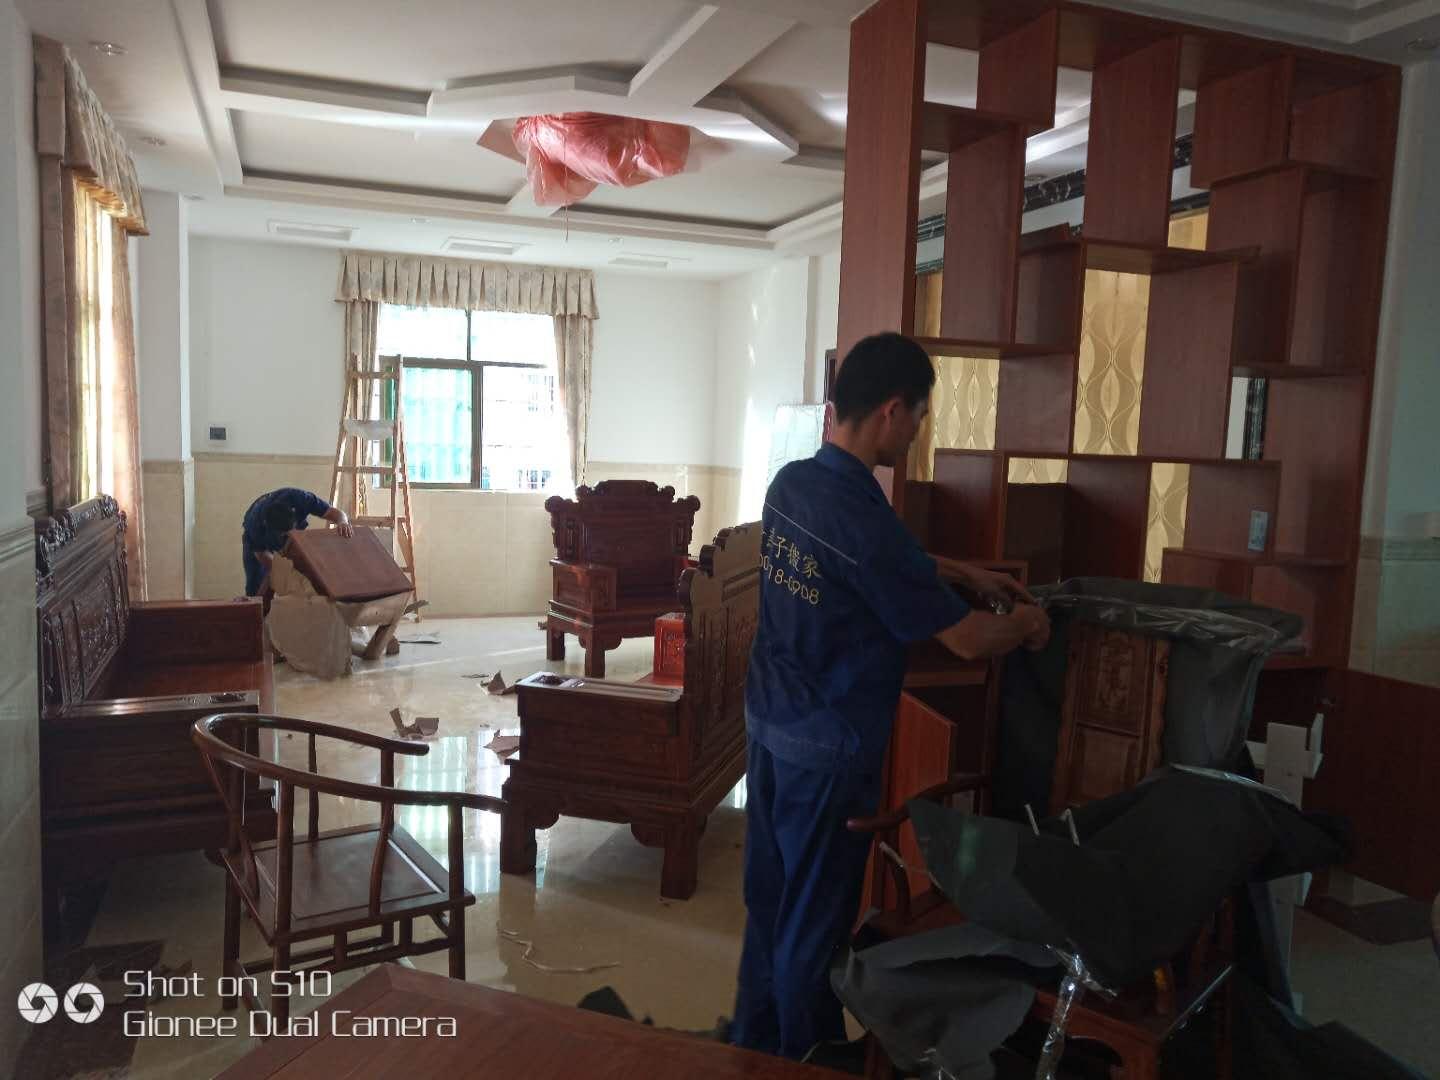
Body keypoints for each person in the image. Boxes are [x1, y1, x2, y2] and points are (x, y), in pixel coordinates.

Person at [731, 332, 1051, 1061]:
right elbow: (966, 640)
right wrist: (1028, 624)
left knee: (770, 907)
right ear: (890, 411)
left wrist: (960, 570)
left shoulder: (792, 485)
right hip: (827, 752)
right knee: (813, 925)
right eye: (918, 417)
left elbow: (868, 560)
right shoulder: (864, 517)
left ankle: (751, 1049)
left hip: (769, 728)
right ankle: (808, 1061)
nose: (916, 433)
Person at [241, 487, 352, 597]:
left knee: (307, 567)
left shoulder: (300, 498)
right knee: (257, 583)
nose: (289, 535)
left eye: (291, 531)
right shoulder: (256, 525)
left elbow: (334, 513)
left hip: (286, 526)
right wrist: (285, 572)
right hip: (257, 543)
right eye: (284, 534)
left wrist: (343, 522)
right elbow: (262, 556)